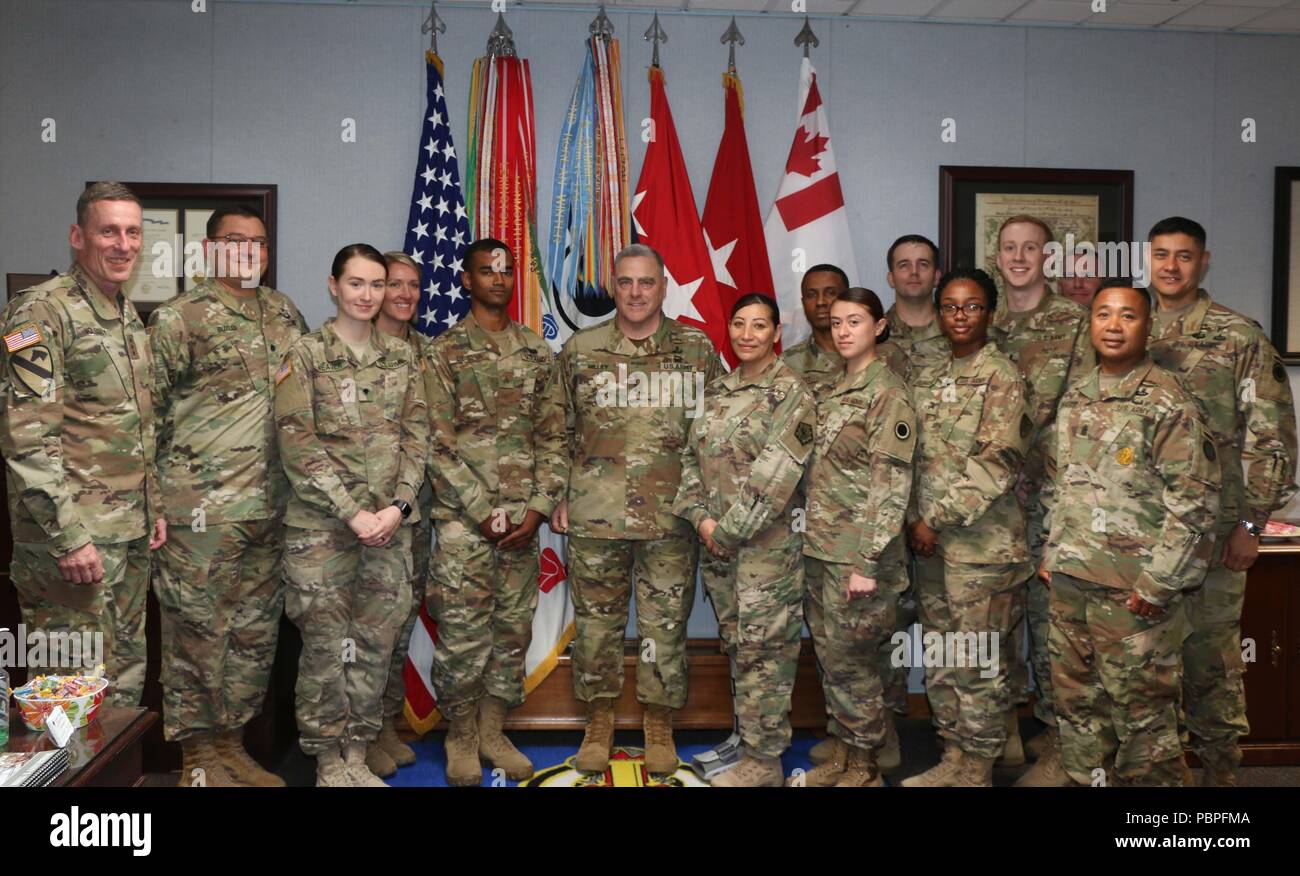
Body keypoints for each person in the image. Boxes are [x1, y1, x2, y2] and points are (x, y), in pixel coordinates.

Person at [547, 243, 724, 775]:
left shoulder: (695, 348)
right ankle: (598, 721)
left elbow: (715, 435)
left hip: (670, 517)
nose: (636, 292)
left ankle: (658, 723)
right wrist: (556, 494)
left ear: (664, 285)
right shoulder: (582, 349)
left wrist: (707, 506)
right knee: (597, 629)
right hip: (595, 515)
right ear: (614, 286)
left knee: (663, 628)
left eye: (646, 282)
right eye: (625, 282)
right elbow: (558, 430)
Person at [149, 205, 307, 787]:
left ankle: (233, 746)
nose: (249, 252)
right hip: (201, 509)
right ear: (210, 248)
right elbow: (148, 415)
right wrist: (154, 502)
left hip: (273, 506)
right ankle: (197, 759)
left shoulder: (284, 311)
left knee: (252, 635)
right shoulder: (178, 318)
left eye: (259, 243)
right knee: (197, 633)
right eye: (235, 241)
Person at [1041, 279, 1222, 786]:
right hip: (1072, 582)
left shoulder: (1167, 402)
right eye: (1103, 315)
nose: (1114, 326)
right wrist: (1052, 550)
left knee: (1145, 727)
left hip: (1134, 593)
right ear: (1090, 323)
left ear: (1148, 326)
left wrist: (1159, 583)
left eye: (1128, 316)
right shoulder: (1077, 396)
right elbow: (1063, 483)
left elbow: (1195, 503)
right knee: (1078, 713)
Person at [1144, 217, 1298, 785]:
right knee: (1143, 673)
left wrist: (1252, 525)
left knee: (1210, 669)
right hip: (1137, 535)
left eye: (1184, 256)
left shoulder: (1238, 336)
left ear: (1203, 262)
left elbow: (1273, 437)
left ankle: (1218, 789)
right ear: (1147, 257)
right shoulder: (1124, 326)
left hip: (1215, 534)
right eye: (1162, 254)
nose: (1172, 266)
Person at [1, 181, 166, 708]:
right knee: (70, 694)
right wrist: (68, 536)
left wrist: (153, 504)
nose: (123, 244)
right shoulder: (40, 313)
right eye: (109, 231)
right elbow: (26, 437)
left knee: (122, 682)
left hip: (127, 535)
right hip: (71, 545)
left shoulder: (125, 315)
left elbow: (136, 427)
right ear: (78, 236)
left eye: (133, 232)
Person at [275, 243, 428, 787]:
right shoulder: (306, 355)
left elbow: (418, 438)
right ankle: (326, 759)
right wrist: (353, 514)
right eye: (356, 283)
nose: (368, 295)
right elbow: (298, 444)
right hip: (322, 533)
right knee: (324, 649)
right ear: (333, 285)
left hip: (390, 530)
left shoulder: (403, 357)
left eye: (377, 285)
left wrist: (398, 507)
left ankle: (358, 752)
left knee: (374, 647)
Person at [423, 239, 564, 787]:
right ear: (466, 279)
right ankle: (459, 736)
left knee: (511, 632)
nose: (499, 279)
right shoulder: (445, 352)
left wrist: (538, 508)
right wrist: (482, 511)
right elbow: (437, 445)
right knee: (462, 635)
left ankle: (492, 730)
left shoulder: (536, 351)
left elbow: (555, 436)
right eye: (487, 271)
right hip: (465, 524)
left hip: (523, 524)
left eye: (506, 271)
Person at [672, 294, 816, 787]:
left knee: (765, 656)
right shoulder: (719, 389)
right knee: (738, 647)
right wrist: (700, 519)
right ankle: (745, 742)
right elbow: (691, 459)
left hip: (766, 554)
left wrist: (727, 532)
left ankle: (765, 761)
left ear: (777, 333)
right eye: (739, 324)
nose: (747, 334)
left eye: (759, 325)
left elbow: (776, 477)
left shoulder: (792, 393)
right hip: (719, 549)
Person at [900, 268, 1031, 787]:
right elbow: (909, 453)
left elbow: (996, 464)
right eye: (951, 306)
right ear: (938, 313)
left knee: (977, 661)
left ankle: (977, 765)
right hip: (930, 544)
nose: (960, 315)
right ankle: (952, 754)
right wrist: (914, 518)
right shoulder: (927, 373)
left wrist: (934, 518)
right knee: (942, 654)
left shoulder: (1002, 376)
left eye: (972, 306)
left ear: (990, 314)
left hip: (982, 548)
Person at [793, 287, 917, 788]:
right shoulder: (829, 388)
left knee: (859, 665)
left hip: (861, 557)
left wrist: (867, 561)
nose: (844, 331)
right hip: (822, 548)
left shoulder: (888, 393)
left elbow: (892, 487)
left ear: (879, 327)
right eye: (838, 322)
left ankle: (864, 766)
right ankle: (844, 751)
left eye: (856, 322)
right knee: (834, 661)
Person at [990, 214, 1093, 775]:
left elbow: (1086, 412)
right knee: (995, 615)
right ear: (997, 255)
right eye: (1010, 247)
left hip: (1055, 498)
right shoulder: (982, 319)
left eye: (1031, 248)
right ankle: (1003, 723)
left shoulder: (1075, 322)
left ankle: (1056, 740)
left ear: (1047, 258)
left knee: (1054, 623)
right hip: (992, 502)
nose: (1020, 256)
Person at [367, 250, 431, 778]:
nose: (405, 294)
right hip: (365, 519)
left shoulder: (427, 352)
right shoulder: (350, 345)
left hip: (418, 515)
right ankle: (360, 732)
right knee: (366, 631)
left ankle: (384, 722)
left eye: (413, 285)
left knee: (399, 624)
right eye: (395, 285)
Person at [878, 234, 948, 378]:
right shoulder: (873, 334)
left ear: (936, 277)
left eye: (923, 264)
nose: (914, 272)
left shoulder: (958, 330)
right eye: (904, 265)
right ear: (891, 279)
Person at [780, 264, 846, 397]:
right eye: (811, 295)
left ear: (847, 298)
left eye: (830, 293)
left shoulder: (880, 354)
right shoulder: (786, 364)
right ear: (803, 303)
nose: (820, 302)